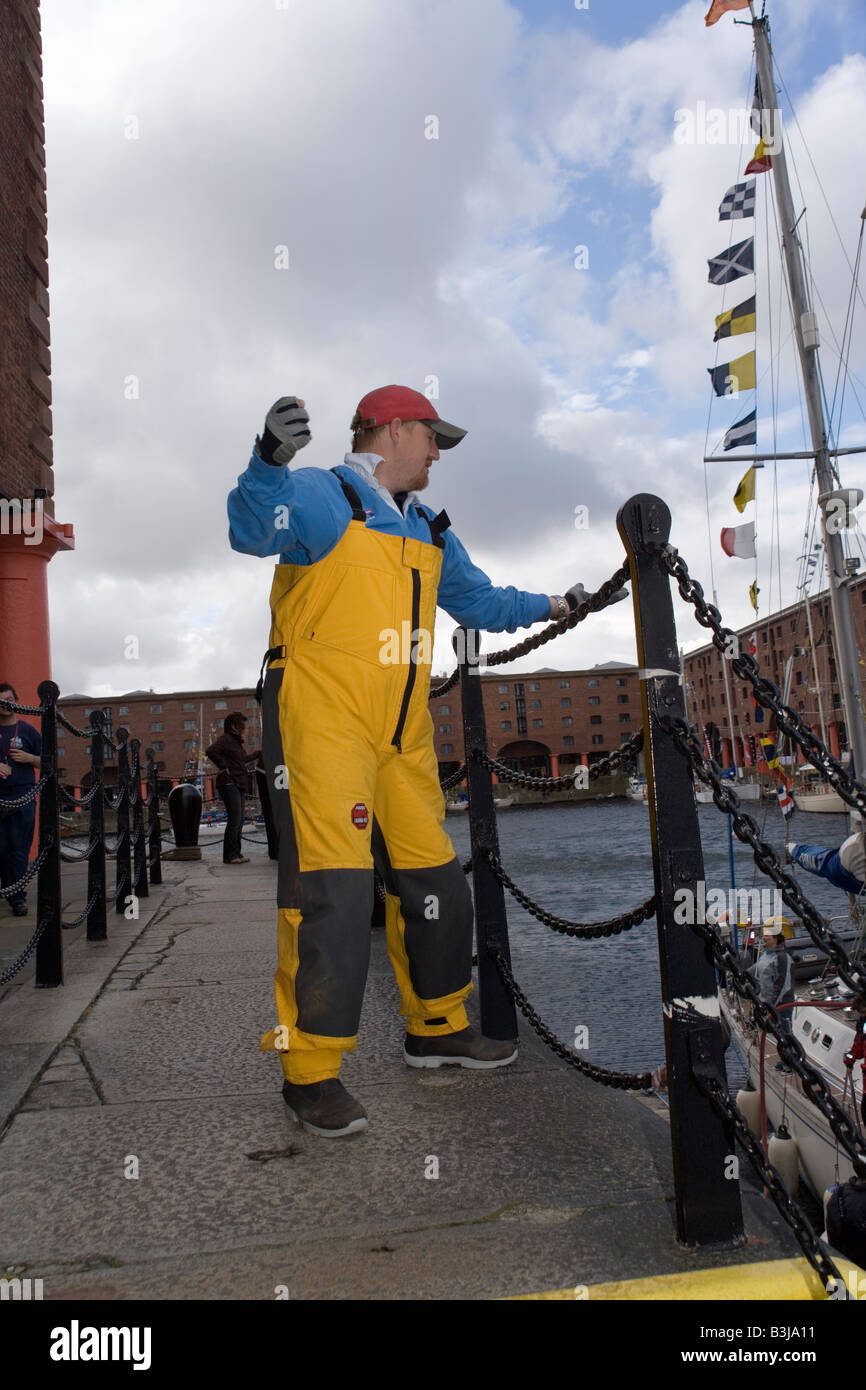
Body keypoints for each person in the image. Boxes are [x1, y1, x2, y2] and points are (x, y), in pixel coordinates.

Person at [228, 386, 626, 1137]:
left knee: (436, 880)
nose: (438, 453)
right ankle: (310, 1071)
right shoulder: (323, 494)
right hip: (322, 718)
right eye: (431, 437)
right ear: (393, 430)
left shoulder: (431, 529)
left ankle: (437, 1027)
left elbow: (478, 602)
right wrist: (268, 458)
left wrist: (554, 605)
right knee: (332, 891)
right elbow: (252, 527)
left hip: (404, 730)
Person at [0, 683, 42, 918]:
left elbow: (47, 762)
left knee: (18, 850)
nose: (5, 704)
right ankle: (8, 890)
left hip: (23, 796)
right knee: (2, 849)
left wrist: (29, 757)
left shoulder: (27, 731)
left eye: (9, 699)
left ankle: (17, 898)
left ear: (16, 701)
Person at [205, 712, 260, 865]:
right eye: (243, 725)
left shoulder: (236, 743)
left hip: (239, 782)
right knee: (235, 819)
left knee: (240, 820)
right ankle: (230, 856)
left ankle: (236, 852)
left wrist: (258, 754)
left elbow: (243, 760)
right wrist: (224, 767)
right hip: (229, 783)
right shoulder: (226, 739)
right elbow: (210, 751)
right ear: (234, 726)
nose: (246, 728)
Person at [753, 917, 794, 1071]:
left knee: (786, 1033)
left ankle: (790, 1062)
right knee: (778, 1034)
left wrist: (773, 1004)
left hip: (783, 1003)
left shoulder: (783, 957)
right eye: (764, 936)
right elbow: (757, 969)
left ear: (775, 939)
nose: (764, 938)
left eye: (767, 936)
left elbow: (783, 983)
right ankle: (785, 1060)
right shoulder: (766, 955)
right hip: (768, 1001)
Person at [787, 829, 865, 897]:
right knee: (820, 861)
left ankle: (792, 849)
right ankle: (793, 849)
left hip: (846, 859)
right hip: (845, 861)